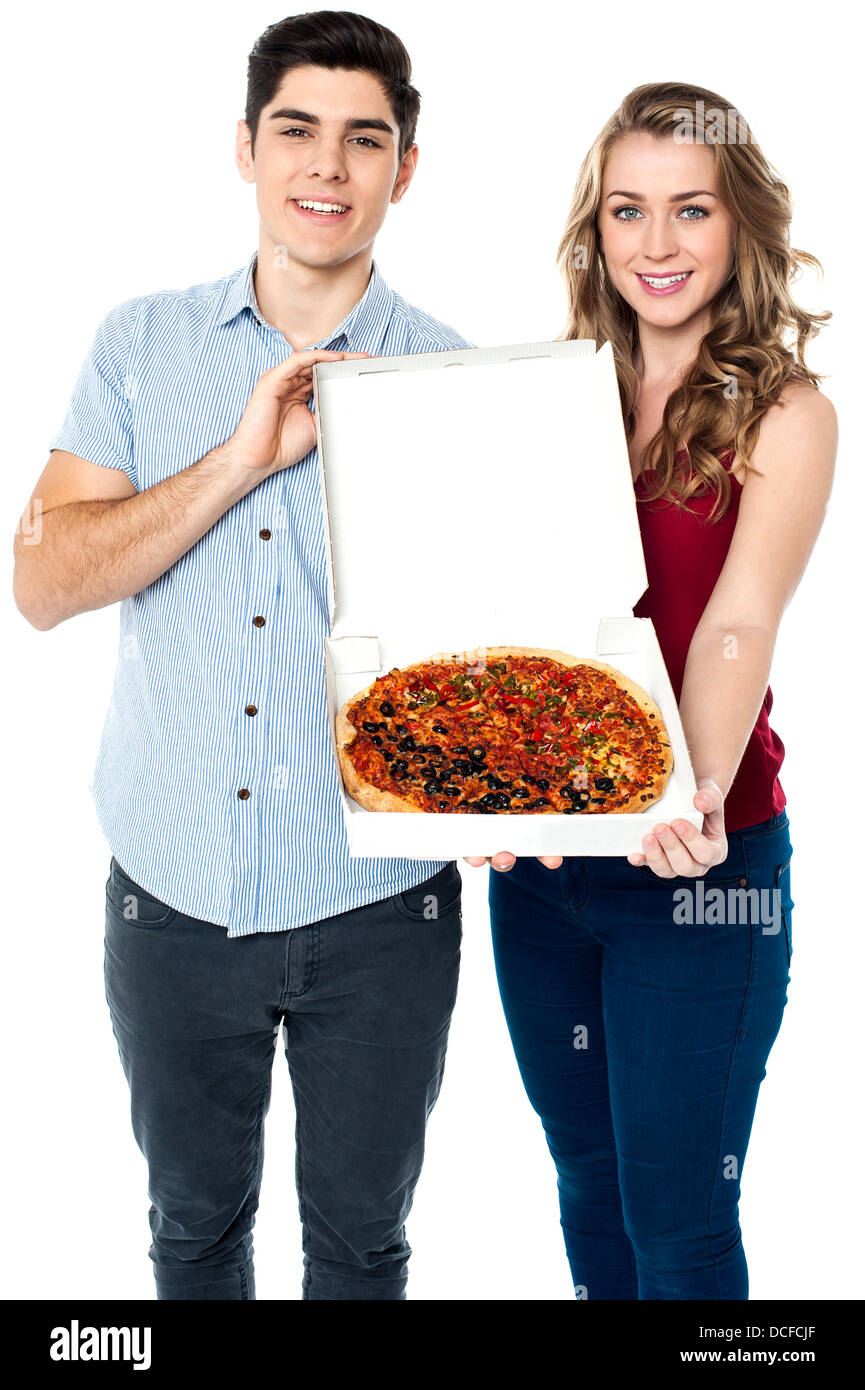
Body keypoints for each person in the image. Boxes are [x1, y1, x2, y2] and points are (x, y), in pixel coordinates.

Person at [13, 11, 473, 1301]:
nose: (327, 165)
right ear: (246, 148)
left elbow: (486, 646)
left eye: (363, 138)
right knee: (192, 1238)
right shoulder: (139, 344)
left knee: (363, 1248)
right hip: (167, 900)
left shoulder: (456, 377)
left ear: (405, 167)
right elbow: (41, 583)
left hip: (382, 906)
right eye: (297, 131)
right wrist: (238, 458)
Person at [466, 82, 837, 1299]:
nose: (657, 244)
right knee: (589, 1186)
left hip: (701, 867)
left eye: (691, 210)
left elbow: (737, 623)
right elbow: (518, 629)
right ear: (597, 232)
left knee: (677, 1218)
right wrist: (489, 803)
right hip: (549, 877)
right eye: (628, 211)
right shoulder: (549, 398)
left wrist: (692, 787)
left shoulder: (787, 412)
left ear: (741, 228)